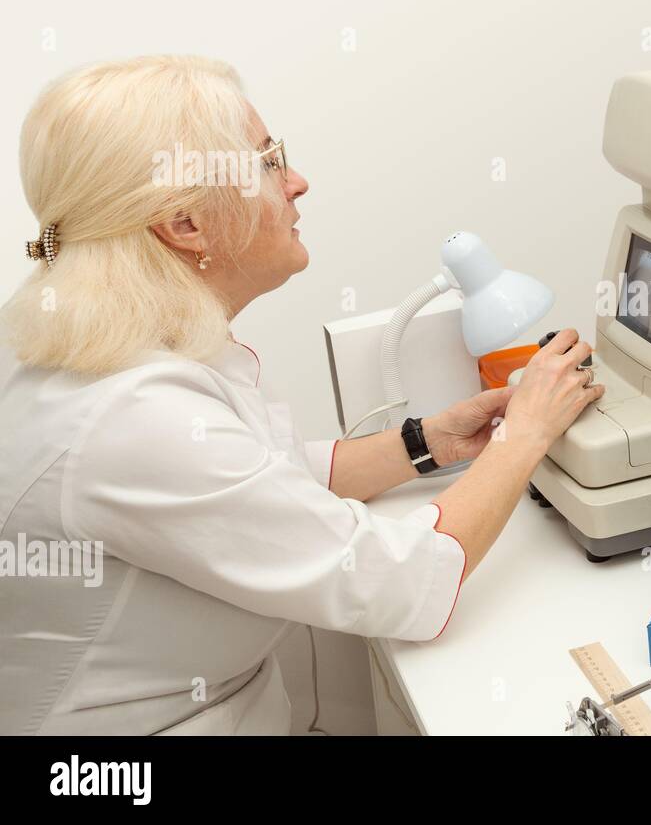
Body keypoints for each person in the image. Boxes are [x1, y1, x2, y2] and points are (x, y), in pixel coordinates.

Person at [0, 55, 604, 733]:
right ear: (185, 225)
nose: (297, 182)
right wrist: (526, 434)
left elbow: (262, 480)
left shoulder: (113, 347)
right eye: (266, 162)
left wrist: (426, 443)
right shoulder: (132, 418)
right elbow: (403, 584)